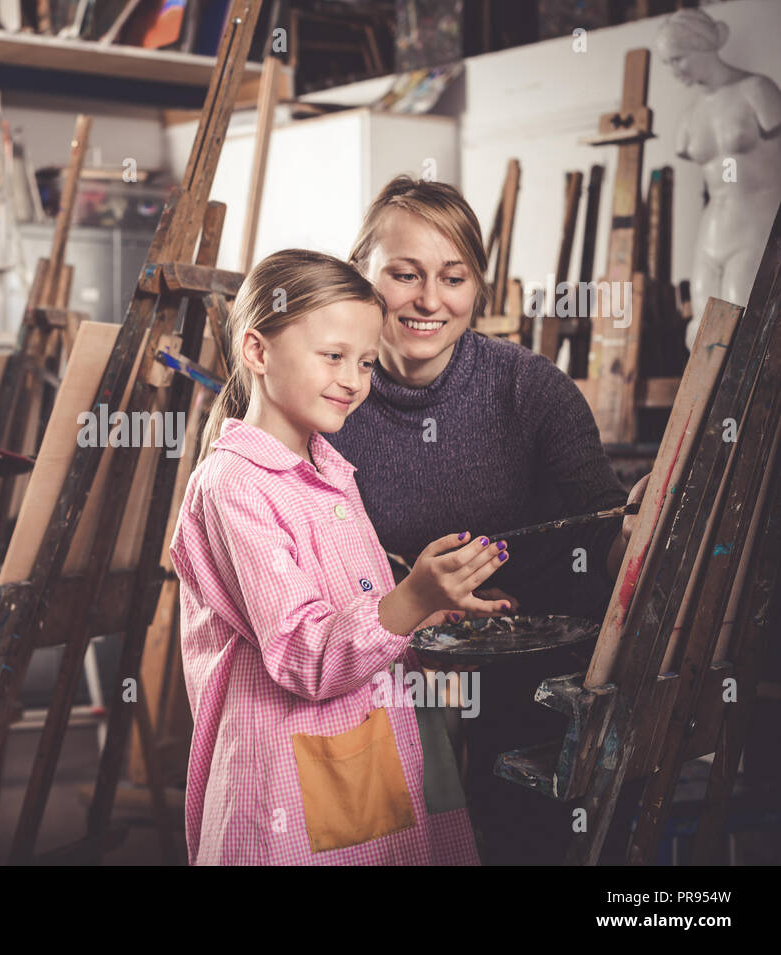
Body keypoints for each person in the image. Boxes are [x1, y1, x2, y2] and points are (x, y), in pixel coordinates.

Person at [327, 175, 648, 864]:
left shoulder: (531, 389)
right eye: (405, 275)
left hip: (530, 666)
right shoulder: (330, 399)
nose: (429, 300)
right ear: (361, 274)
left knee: (529, 832)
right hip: (383, 669)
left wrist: (646, 523)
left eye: (454, 277)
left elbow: (604, 531)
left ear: (479, 286)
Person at [169, 249, 511, 865]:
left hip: (368, 758)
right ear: (257, 351)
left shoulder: (328, 470)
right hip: (286, 788)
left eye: (366, 361)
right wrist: (408, 599)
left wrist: (432, 607)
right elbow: (304, 653)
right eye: (333, 356)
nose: (354, 380)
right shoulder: (234, 486)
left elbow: (358, 612)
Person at [655, 7, 781, 349]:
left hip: (758, 221)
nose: (673, 70)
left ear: (703, 45)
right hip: (712, 231)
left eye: (678, 58)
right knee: (700, 332)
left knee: (747, 331)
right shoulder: (691, 116)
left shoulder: (757, 91)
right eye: (667, 62)